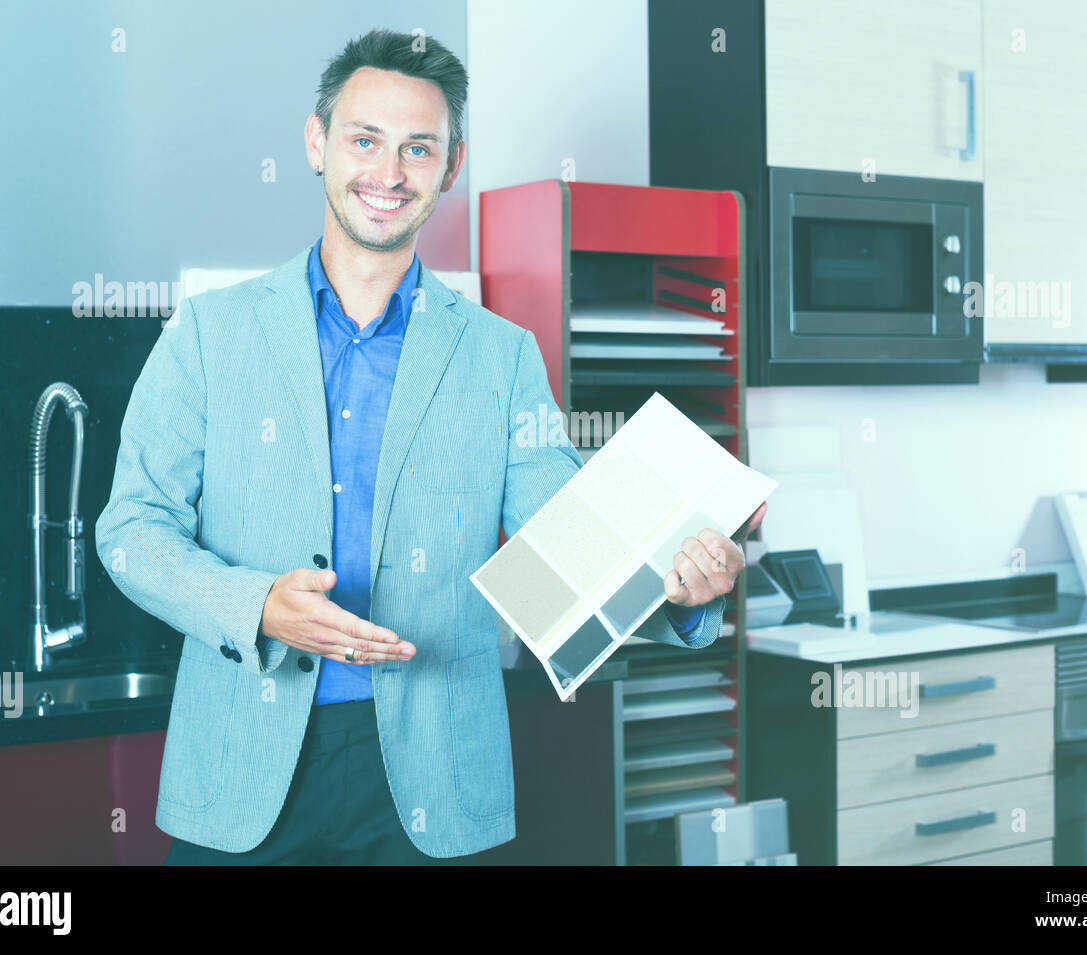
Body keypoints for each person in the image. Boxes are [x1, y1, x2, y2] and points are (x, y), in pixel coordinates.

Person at [95, 28, 764, 865]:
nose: (388, 172)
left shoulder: (502, 354)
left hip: (434, 784)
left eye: (419, 147)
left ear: (450, 167)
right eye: (364, 139)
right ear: (317, 142)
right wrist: (257, 604)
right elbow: (132, 531)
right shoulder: (209, 333)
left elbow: (573, 539)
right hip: (243, 777)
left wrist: (682, 589)